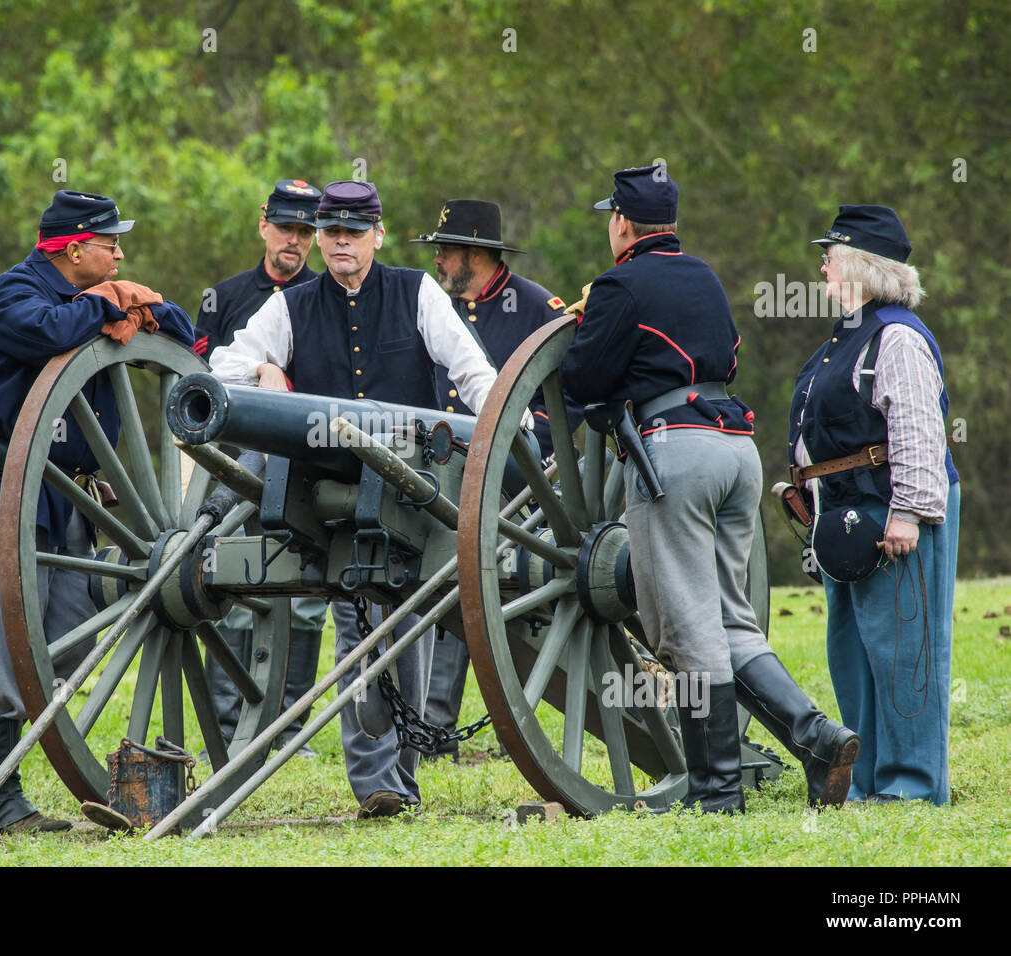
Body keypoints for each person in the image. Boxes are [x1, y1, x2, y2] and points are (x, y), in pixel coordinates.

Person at [559, 166, 858, 813]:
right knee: (729, 618)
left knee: (688, 628)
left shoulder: (618, 283)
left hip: (675, 456)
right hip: (734, 451)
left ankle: (719, 792)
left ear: (621, 223)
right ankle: (816, 737)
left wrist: (594, 329)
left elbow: (580, 380)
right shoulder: (704, 277)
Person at [209, 180, 498, 817]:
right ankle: (378, 785)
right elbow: (222, 369)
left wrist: (510, 429)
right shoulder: (290, 307)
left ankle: (402, 774)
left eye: (354, 232)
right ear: (319, 236)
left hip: (413, 484)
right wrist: (262, 372)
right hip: (329, 491)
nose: (341, 243)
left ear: (378, 234)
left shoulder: (416, 291)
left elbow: (470, 370)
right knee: (357, 624)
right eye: (331, 232)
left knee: (409, 629)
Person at [0, 190, 195, 834]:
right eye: (111, 244)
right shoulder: (16, 291)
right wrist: (105, 301)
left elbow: (182, 334)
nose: (121, 254)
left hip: (69, 491)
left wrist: (142, 303)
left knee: (68, 641)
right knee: (1, 644)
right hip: (0, 486)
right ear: (74, 249)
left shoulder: (95, 294)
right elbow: (49, 333)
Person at [790, 205, 958, 805]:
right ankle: (866, 779)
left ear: (860, 265)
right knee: (853, 651)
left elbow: (917, 429)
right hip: (850, 516)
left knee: (904, 651)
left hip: (895, 514)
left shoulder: (897, 336)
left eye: (830, 254)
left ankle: (910, 786)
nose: (822, 265)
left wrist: (908, 512)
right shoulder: (849, 334)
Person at [408, 198, 570, 759]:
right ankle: (434, 728)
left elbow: (558, 404)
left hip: (518, 481)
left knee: (498, 590)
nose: (437, 260)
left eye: (445, 250)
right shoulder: (435, 307)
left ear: (475, 253)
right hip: (442, 475)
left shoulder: (535, 307)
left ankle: (521, 720)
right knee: (444, 584)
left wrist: (523, 459)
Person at [194, 178, 332, 755]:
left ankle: (288, 726)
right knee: (229, 586)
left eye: (305, 232)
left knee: (300, 600)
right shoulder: (221, 299)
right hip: (234, 469)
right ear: (263, 225)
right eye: (286, 229)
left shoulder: (327, 299)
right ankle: (227, 727)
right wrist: (258, 373)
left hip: (306, 467)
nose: (294, 242)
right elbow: (197, 385)